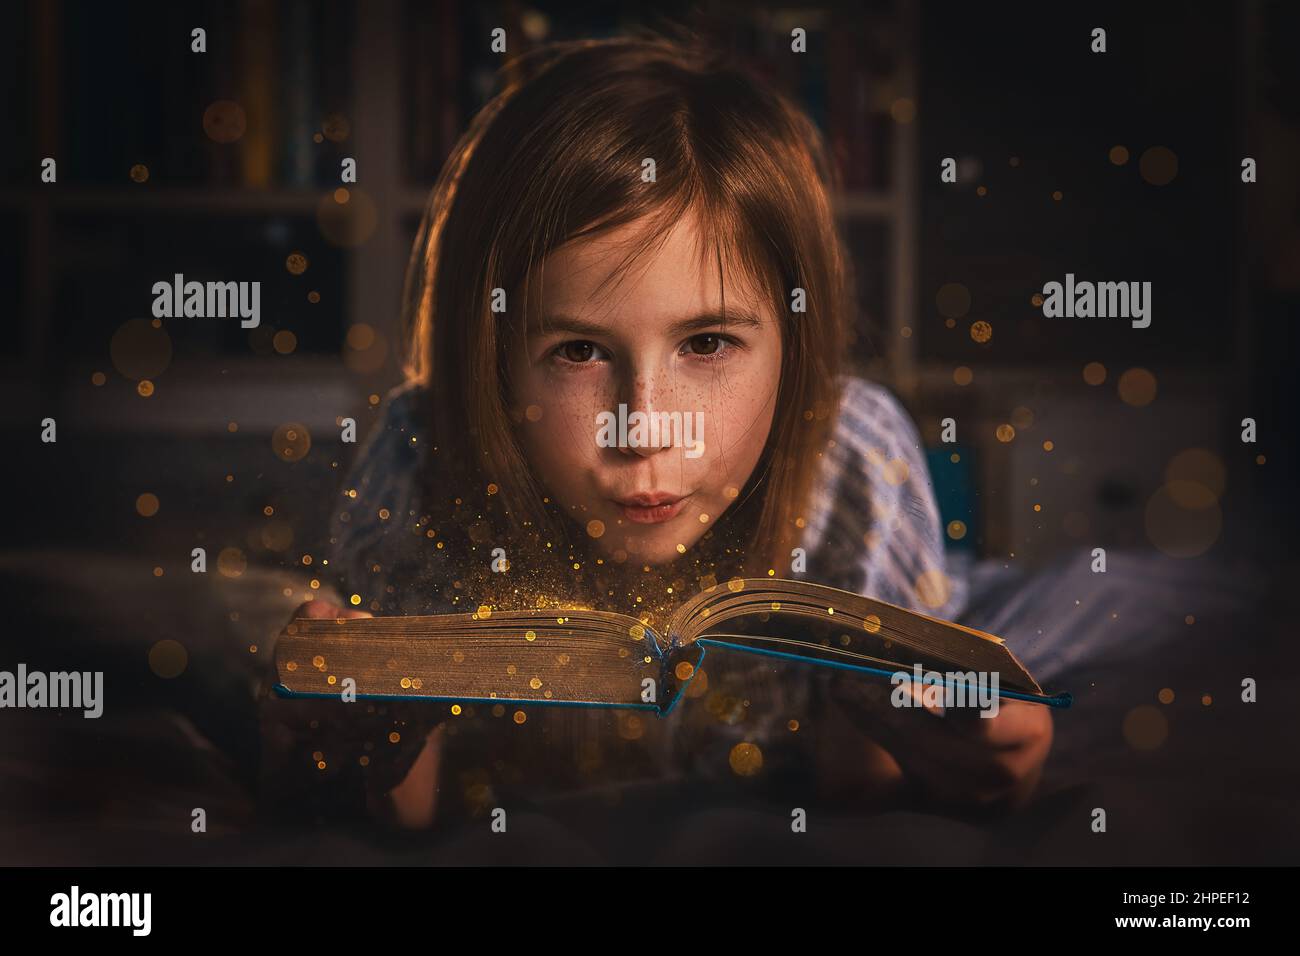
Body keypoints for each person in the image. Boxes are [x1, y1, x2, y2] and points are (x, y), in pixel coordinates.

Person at [263, 36, 1051, 834]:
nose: (643, 428)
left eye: (707, 344)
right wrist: (352, 737)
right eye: (576, 351)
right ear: (493, 361)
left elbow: (866, 789)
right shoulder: (421, 452)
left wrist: (976, 760)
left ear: (794, 343)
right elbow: (404, 812)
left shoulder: (850, 456)